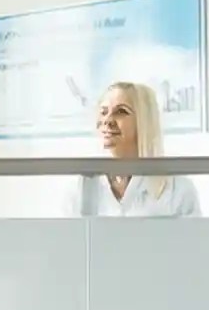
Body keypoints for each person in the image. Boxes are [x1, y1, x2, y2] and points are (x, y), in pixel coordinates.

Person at [68, 81, 201, 217]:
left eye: (121, 111)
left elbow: (195, 238)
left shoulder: (178, 190)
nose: (107, 120)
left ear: (143, 121)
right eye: (103, 112)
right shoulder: (84, 187)